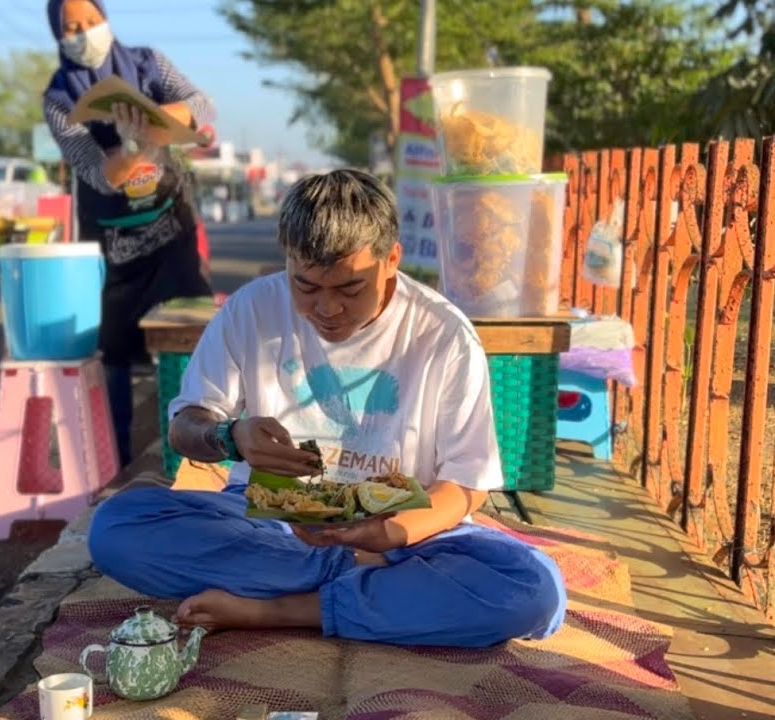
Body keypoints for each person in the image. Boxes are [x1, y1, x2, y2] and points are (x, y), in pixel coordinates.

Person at [86, 169, 567, 648]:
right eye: (306, 287)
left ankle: (280, 609)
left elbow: (464, 488)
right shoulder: (250, 310)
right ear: (288, 261)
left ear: (391, 260)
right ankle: (375, 594)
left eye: (350, 288)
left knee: (533, 590)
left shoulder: (444, 334)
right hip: (270, 527)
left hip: (400, 531)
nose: (327, 309)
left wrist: (387, 534)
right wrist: (230, 437)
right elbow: (185, 425)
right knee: (117, 525)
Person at [43, 0, 216, 466]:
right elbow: (97, 174)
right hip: (114, 247)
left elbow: (202, 105)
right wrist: (133, 145)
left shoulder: (148, 62)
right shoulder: (60, 97)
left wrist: (163, 118)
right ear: (58, 36)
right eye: (71, 27)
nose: (84, 33)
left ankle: (203, 453)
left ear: (106, 20)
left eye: (92, 21)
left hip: (171, 231)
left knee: (194, 336)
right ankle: (115, 461)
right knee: (115, 351)